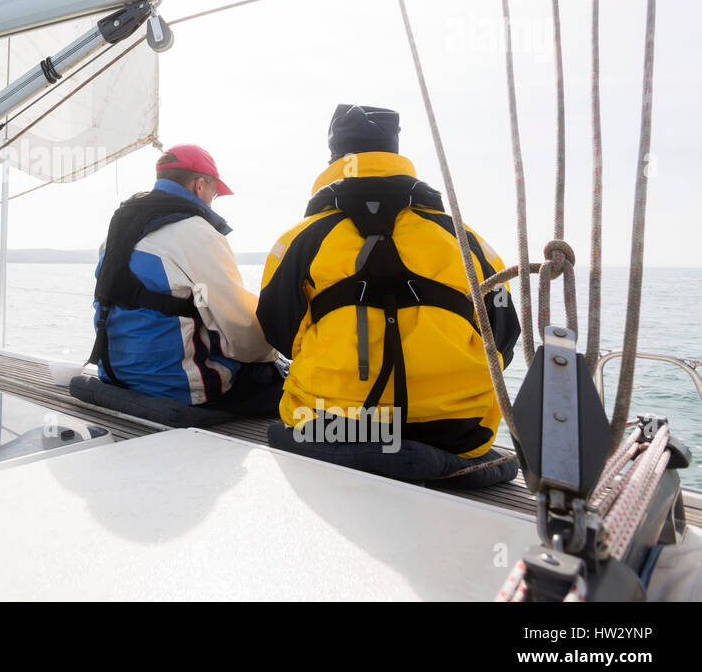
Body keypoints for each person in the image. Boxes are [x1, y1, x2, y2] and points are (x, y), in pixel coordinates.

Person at [256, 105, 521, 468]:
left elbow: (276, 327)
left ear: (335, 158)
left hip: (330, 428)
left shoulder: (299, 240)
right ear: (394, 153)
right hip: (462, 432)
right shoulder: (466, 239)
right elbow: (504, 332)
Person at [90, 144, 283, 416]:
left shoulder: (119, 229)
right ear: (199, 185)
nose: (213, 199)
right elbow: (241, 327)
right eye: (214, 192)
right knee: (278, 379)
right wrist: (274, 354)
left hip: (115, 374)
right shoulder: (196, 232)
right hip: (172, 386)